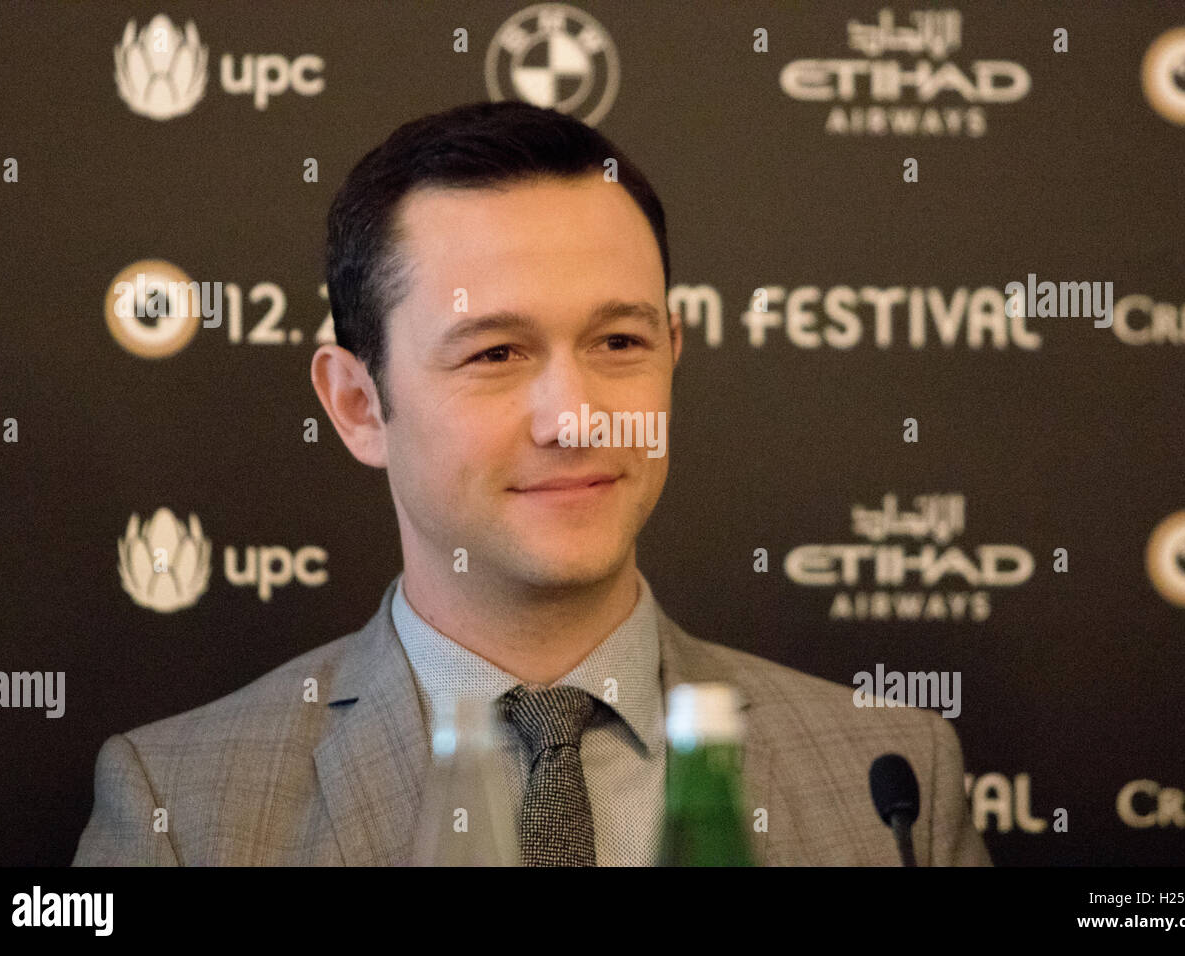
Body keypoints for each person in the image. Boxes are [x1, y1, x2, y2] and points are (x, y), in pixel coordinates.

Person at [73, 100, 991, 867]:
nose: (576, 417)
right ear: (357, 403)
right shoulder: (181, 810)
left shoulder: (895, 779)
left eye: (619, 343)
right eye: (496, 353)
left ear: (673, 357)